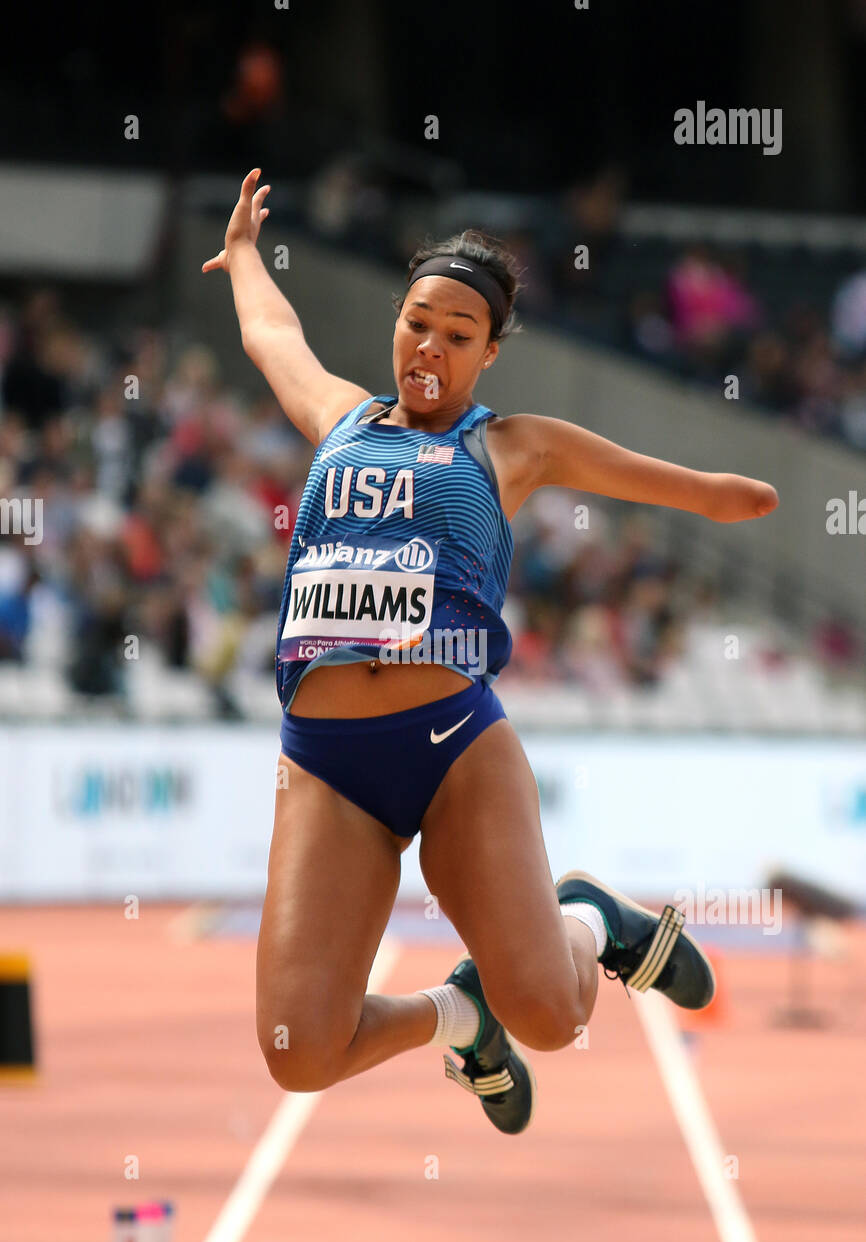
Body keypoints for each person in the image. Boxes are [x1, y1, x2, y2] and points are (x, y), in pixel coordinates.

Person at [203, 170, 779, 1136]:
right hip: (327, 768)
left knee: (552, 1016)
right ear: (398, 321)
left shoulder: (512, 446)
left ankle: (593, 919)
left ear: (488, 355)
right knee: (299, 1052)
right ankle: (460, 1018)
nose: (429, 346)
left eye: (457, 336)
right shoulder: (339, 421)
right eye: (417, 323)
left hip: (454, 750)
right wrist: (249, 259)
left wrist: (737, 494)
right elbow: (273, 338)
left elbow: (678, 486)